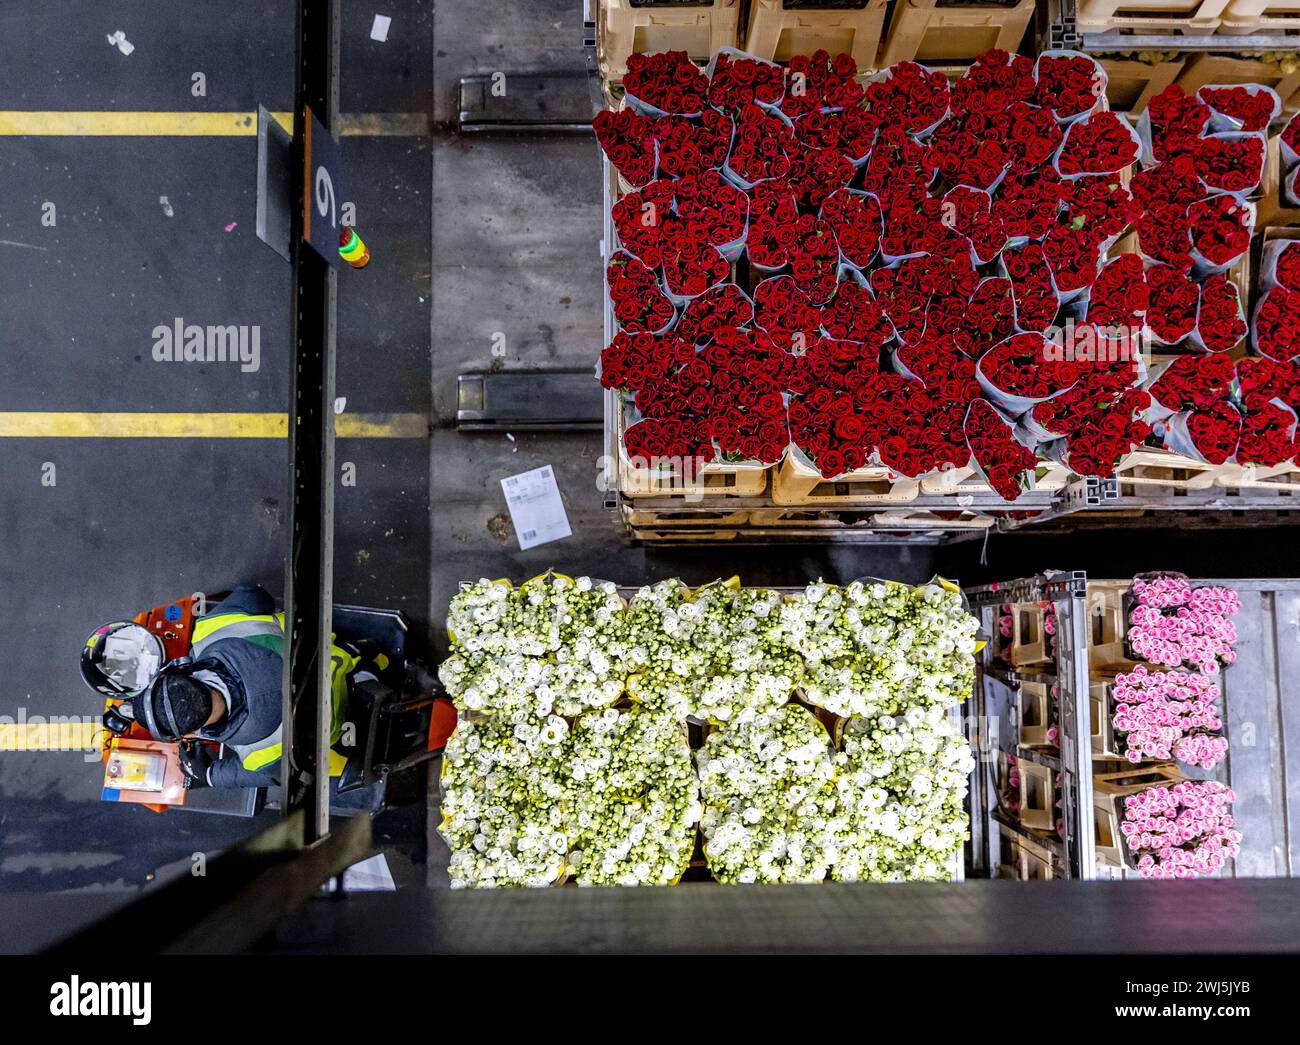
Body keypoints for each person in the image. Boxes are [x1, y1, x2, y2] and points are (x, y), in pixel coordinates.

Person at [135, 585, 361, 789]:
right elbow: (255, 594)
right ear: (178, 670)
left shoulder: (259, 757)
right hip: (350, 655)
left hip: (355, 723)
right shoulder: (213, 628)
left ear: (191, 733)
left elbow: (280, 777)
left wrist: (209, 774)